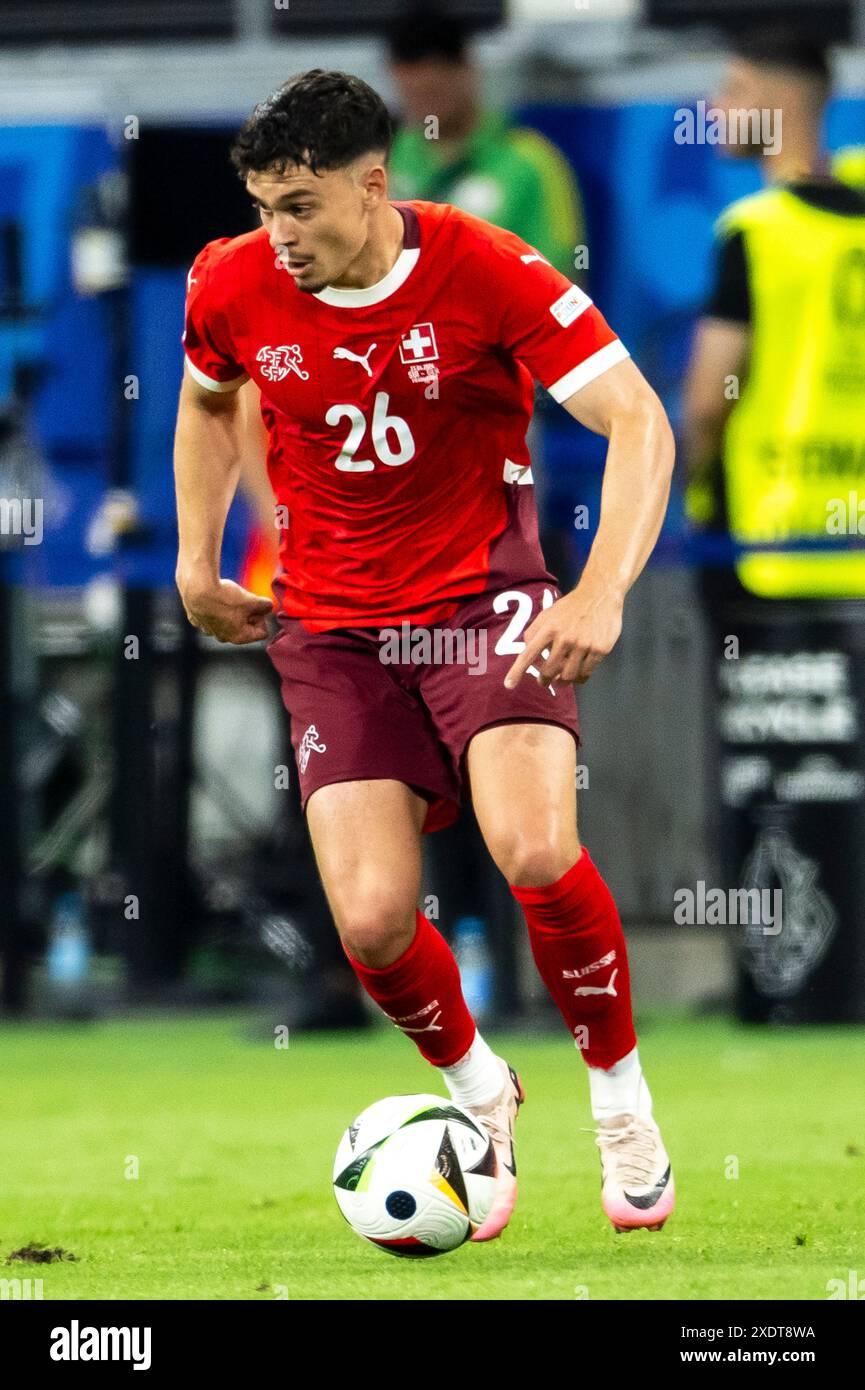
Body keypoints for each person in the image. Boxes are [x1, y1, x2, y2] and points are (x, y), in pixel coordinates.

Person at [173, 69, 676, 1242]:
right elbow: (206, 406)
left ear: (373, 182)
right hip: (333, 626)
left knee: (537, 846)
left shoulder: (487, 266)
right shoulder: (228, 280)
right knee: (372, 923)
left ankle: (621, 1106)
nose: (278, 235)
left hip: (482, 600)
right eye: (262, 207)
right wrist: (198, 563)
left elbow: (637, 419)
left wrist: (598, 590)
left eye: (300, 205)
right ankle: (477, 1090)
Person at [684, 28, 865, 602]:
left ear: (775, 103)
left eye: (734, 90)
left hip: (765, 549)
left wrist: (696, 491)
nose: (714, 110)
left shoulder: (757, 232)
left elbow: (708, 404)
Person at [386, 5, 584, 278]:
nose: (425, 92)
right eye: (413, 87)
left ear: (468, 68)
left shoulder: (530, 163)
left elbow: (563, 278)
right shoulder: (384, 159)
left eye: (437, 83)